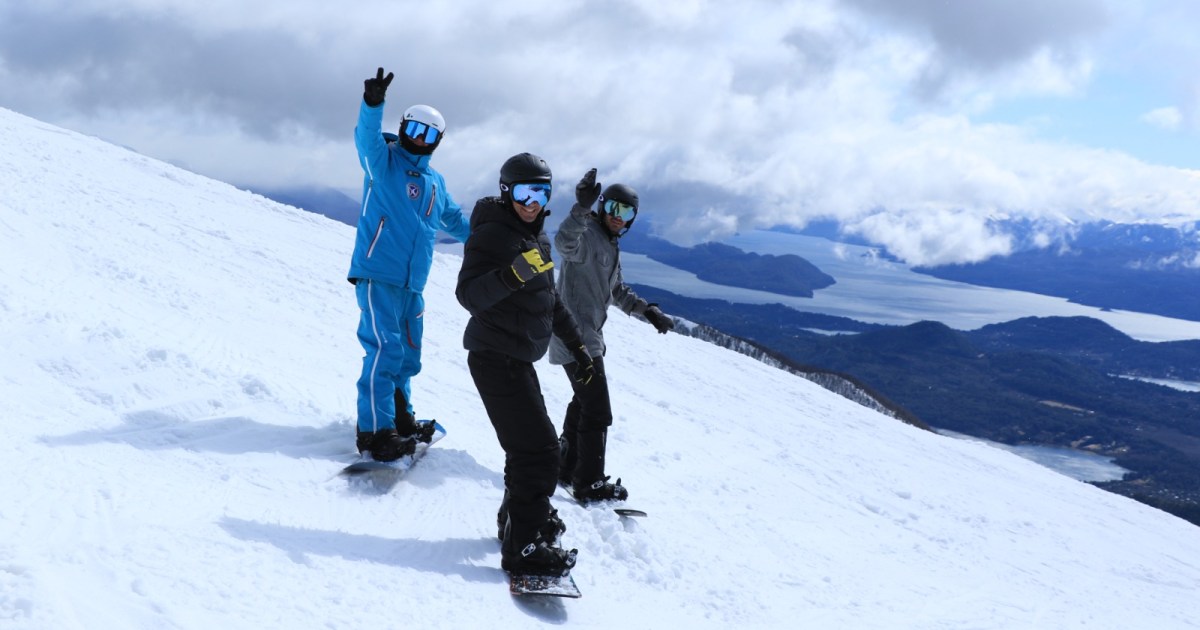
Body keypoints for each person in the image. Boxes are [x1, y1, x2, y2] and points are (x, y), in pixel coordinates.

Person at [456, 152, 595, 576]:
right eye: (524, 191)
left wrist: (579, 348)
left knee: (532, 448)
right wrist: (511, 275)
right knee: (539, 451)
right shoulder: (494, 235)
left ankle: (517, 519)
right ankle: (524, 547)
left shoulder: (536, 237)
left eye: (541, 191)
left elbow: (551, 301)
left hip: (516, 358)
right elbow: (468, 296)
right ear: (506, 191)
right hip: (494, 357)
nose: (532, 201)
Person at [347, 67, 471, 462]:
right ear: (402, 128)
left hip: (413, 284)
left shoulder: (435, 181)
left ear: (439, 141)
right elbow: (366, 141)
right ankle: (374, 432)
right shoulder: (382, 162)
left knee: (407, 356)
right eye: (415, 130)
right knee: (383, 350)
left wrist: (490, 239)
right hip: (378, 274)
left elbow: (454, 220)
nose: (420, 139)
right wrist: (372, 105)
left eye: (429, 134)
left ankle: (400, 419)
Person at [549, 168, 675, 503]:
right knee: (598, 411)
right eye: (614, 209)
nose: (619, 218)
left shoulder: (608, 243)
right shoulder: (587, 235)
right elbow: (563, 244)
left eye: (627, 213)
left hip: (588, 338)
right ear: (602, 207)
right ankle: (588, 483)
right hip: (574, 337)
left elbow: (616, 289)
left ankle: (565, 466)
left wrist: (647, 311)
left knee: (584, 402)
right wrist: (579, 209)